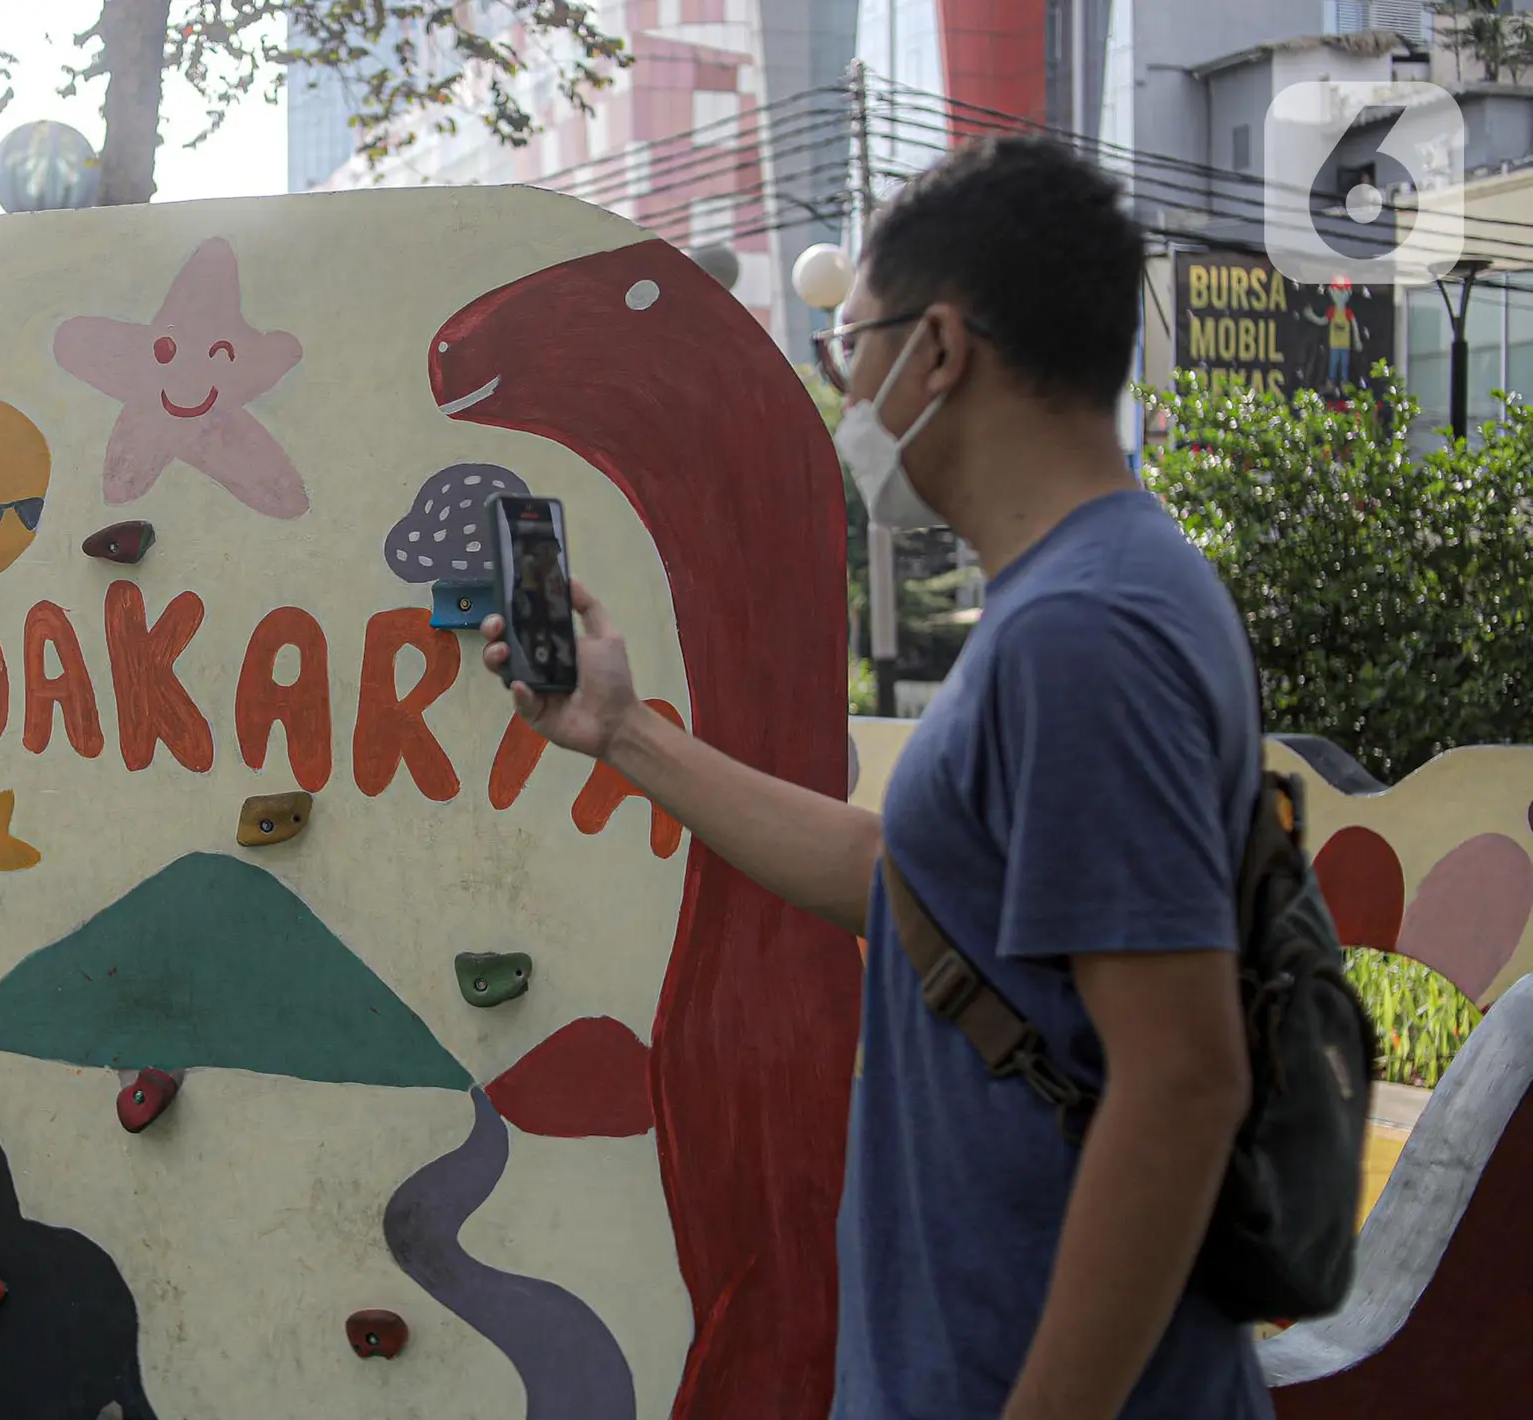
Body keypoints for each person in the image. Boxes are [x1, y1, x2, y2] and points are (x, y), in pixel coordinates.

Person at [484, 138, 1268, 1419]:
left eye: (845, 346)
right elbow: (906, 888)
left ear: (937, 350)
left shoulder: (1084, 633)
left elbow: (1181, 1078)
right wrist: (623, 730)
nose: (836, 387)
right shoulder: (1080, 598)